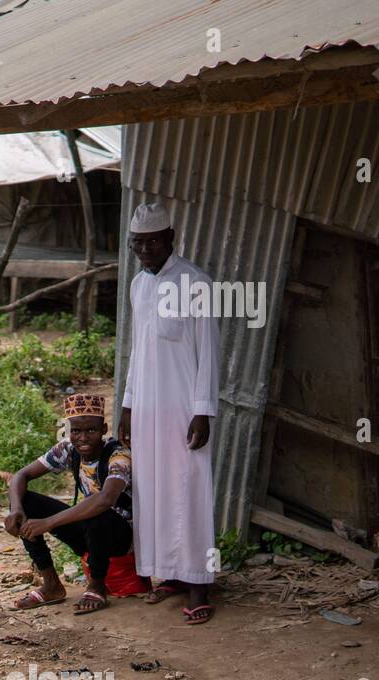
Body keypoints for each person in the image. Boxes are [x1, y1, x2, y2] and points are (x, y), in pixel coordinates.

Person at [119, 202, 220, 625]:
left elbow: (210, 354)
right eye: (137, 242)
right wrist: (126, 405)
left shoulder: (196, 283)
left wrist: (204, 411)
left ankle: (200, 582)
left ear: (171, 238)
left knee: (190, 486)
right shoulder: (138, 286)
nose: (144, 249)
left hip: (183, 405)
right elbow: (137, 349)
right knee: (154, 488)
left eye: (152, 241)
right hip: (146, 405)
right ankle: (172, 573)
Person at [5, 394, 134, 614]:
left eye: (91, 430)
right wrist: (16, 509)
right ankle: (51, 584)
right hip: (88, 531)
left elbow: (106, 499)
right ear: (68, 430)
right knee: (24, 501)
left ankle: (97, 585)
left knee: (96, 509)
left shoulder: (119, 456)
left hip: (119, 536)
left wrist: (48, 522)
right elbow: (20, 476)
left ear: (103, 429)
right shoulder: (67, 449)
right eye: (76, 431)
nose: (83, 438)